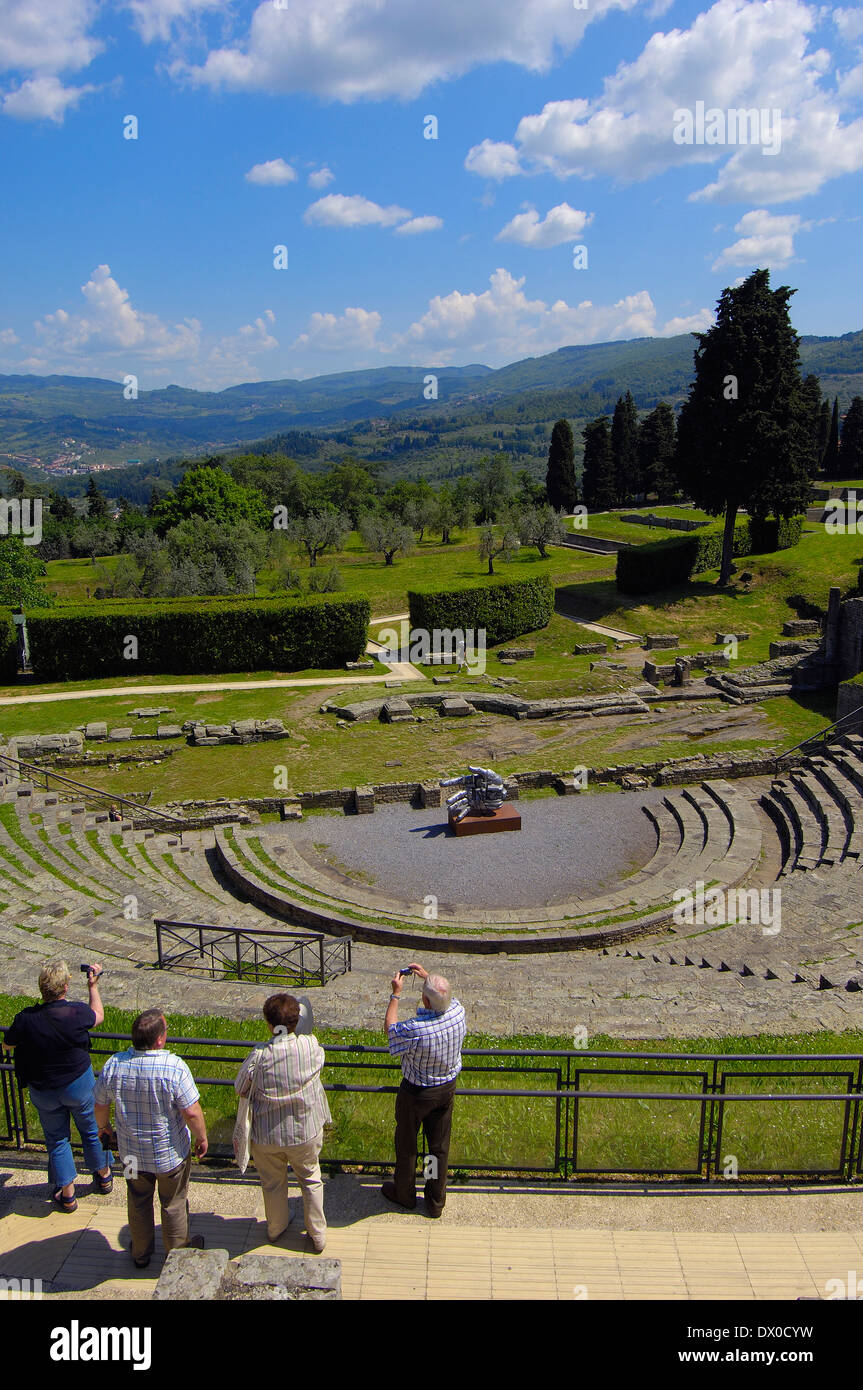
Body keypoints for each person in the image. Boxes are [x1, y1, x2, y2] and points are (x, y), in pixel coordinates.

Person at [93, 1008, 208, 1269]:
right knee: (173, 1204)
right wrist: (201, 1137)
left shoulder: (114, 1065)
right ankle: (176, 1260)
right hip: (169, 1157)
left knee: (137, 1200)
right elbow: (191, 1112)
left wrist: (104, 1128)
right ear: (159, 1039)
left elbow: (99, 1104)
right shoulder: (174, 1067)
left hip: (132, 1155)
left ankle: (141, 1254)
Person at [4, 959, 112, 1213]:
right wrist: (93, 986)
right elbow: (98, 1016)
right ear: (64, 987)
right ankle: (104, 1177)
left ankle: (67, 1195)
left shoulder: (25, 1019)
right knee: (92, 1130)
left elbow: (8, 1044)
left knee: (57, 1140)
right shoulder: (75, 1013)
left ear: (42, 989)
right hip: (78, 1084)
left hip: (43, 1090)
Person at [234, 993, 331, 1253]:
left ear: (268, 1024)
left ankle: (275, 1228)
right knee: (310, 1178)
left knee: (273, 1182)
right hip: (305, 1130)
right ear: (296, 1022)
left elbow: (240, 1087)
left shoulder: (259, 1056)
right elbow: (320, 1062)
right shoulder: (310, 1045)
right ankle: (318, 1235)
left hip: (267, 1134)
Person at [382, 962, 466, 1217]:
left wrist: (396, 993)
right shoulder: (458, 1013)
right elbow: (448, 1000)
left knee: (407, 1145)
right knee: (437, 1148)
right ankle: (434, 1200)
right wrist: (430, 979)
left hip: (416, 1093)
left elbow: (390, 1030)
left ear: (426, 1003)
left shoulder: (416, 1029)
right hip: (445, 1091)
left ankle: (405, 1194)